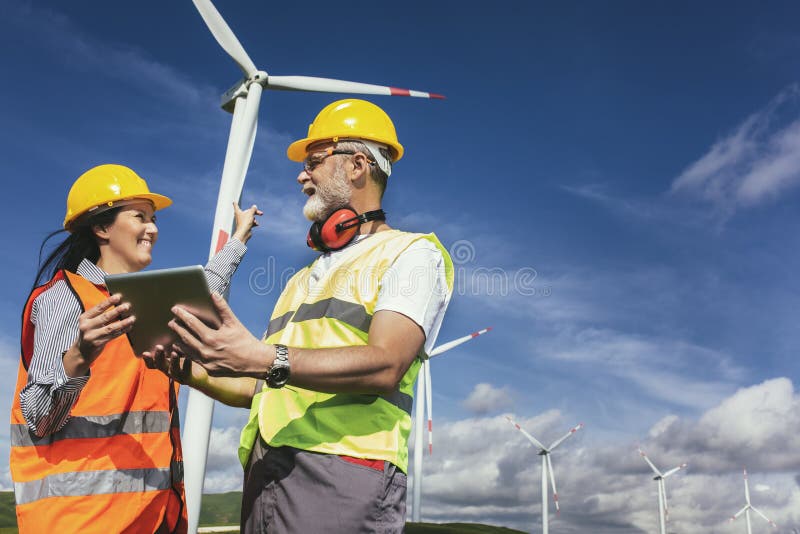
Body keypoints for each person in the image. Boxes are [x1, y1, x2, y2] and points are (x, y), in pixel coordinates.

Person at [145, 99, 454, 533]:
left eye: (313, 161)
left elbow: (387, 363)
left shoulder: (412, 254)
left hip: (342, 473)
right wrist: (193, 371)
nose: (300, 175)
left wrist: (263, 357)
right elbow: (263, 385)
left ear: (357, 165)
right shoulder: (300, 279)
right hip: (266, 470)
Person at [9, 163, 261, 533]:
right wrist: (80, 355)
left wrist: (238, 240)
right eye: (140, 216)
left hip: (155, 516)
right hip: (80, 522)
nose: (154, 229)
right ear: (100, 227)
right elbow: (39, 418)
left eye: (154, 218)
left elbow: (203, 293)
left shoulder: (145, 300)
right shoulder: (63, 298)